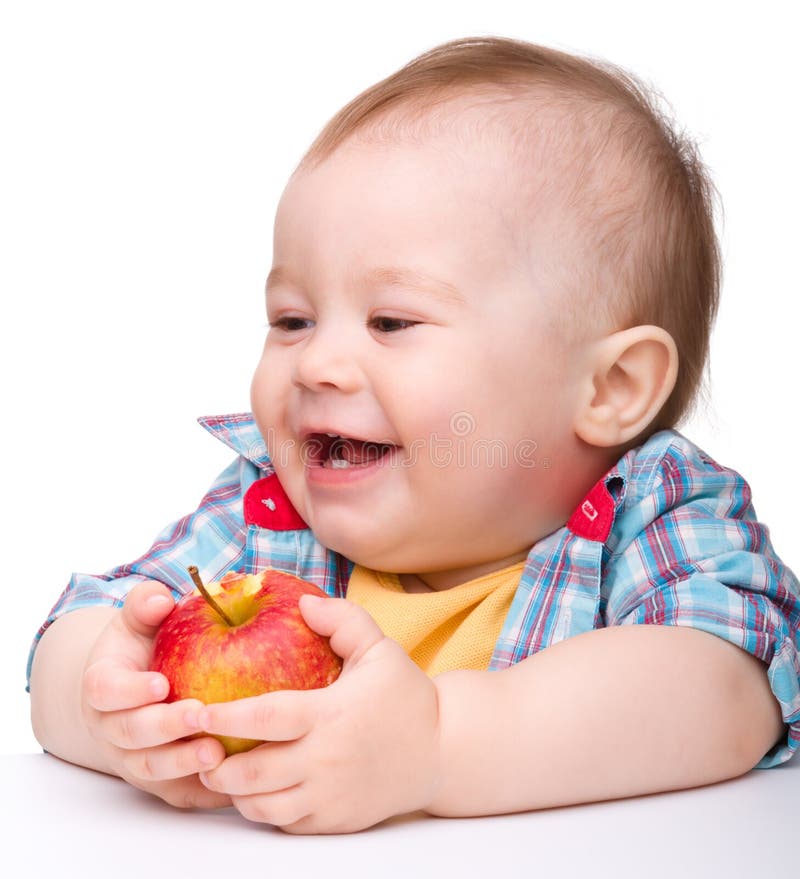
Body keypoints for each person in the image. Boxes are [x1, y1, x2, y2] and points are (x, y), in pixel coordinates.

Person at [28, 35, 800, 835]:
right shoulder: (273, 512)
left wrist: (434, 745)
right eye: (291, 319)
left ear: (611, 388)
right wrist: (115, 711)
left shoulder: (657, 509)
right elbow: (72, 630)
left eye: (391, 320)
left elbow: (728, 686)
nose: (318, 360)